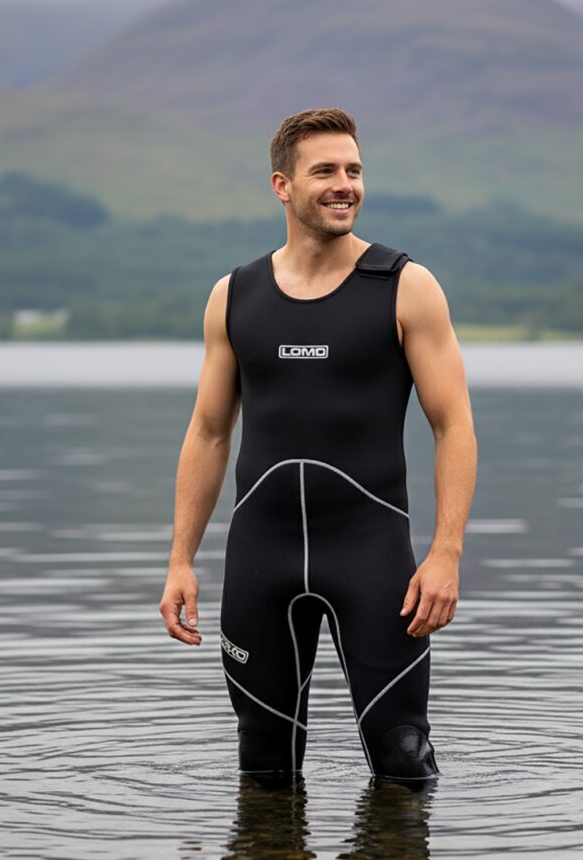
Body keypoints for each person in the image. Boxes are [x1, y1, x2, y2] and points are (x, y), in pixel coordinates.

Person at [159, 107, 477, 781]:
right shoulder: (235, 296)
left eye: (354, 170)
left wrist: (445, 554)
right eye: (325, 170)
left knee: (404, 760)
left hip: (372, 557)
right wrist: (180, 560)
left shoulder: (404, 287)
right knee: (263, 768)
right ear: (282, 185)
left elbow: (453, 426)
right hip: (258, 559)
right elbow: (210, 433)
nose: (345, 185)